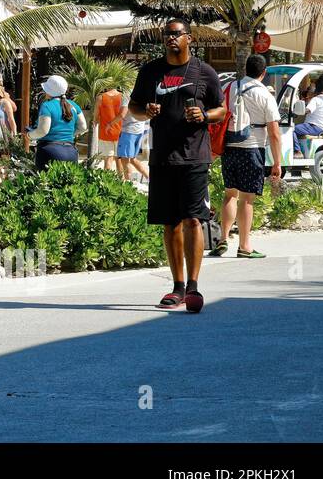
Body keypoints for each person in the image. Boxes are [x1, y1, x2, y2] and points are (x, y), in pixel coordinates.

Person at [128, 18, 224, 314]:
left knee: (193, 220)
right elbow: (134, 106)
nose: (171, 38)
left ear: (189, 39)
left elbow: (221, 109)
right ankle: (177, 286)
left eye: (177, 34)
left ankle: (194, 287)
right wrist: (147, 110)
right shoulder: (151, 71)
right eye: (167, 35)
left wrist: (204, 116)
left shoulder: (203, 72)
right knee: (169, 224)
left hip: (194, 156)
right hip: (162, 156)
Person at [214, 53, 282, 260]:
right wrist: (277, 163)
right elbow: (274, 132)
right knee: (247, 200)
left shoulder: (230, 87)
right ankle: (244, 245)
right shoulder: (264, 94)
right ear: (264, 73)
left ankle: (223, 239)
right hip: (252, 149)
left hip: (229, 147)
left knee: (230, 194)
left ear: (245, 69)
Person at [28, 75, 87, 171]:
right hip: (71, 152)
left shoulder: (47, 106)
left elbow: (43, 131)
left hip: (49, 151)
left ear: (48, 91)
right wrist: (68, 135)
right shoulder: (74, 105)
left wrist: (29, 136)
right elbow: (83, 127)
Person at [294, 74, 323, 157]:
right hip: (321, 127)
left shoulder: (316, 99)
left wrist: (297, 111)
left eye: (311, 87)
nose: (310, 89)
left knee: (292, 129)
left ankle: (297, 151)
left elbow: (307, 110)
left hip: (313, 127)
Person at [115, 99, 151, 183]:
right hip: (139, 130)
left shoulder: (127, 93)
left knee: (125, 160)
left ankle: (129, 184)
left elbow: (122, 114)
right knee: (132, 159)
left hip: (129, 131)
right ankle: (149, 178)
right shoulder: (142, 94)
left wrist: (110, 124)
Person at [95, 85, 124, 170]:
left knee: (108, 160)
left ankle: (107, 181)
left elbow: (96, 118)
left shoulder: (100, 97)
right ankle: (121, 182)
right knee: (119, 160)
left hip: (105, 132)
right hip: (120, 132)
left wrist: (95, 120)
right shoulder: (122, 97)